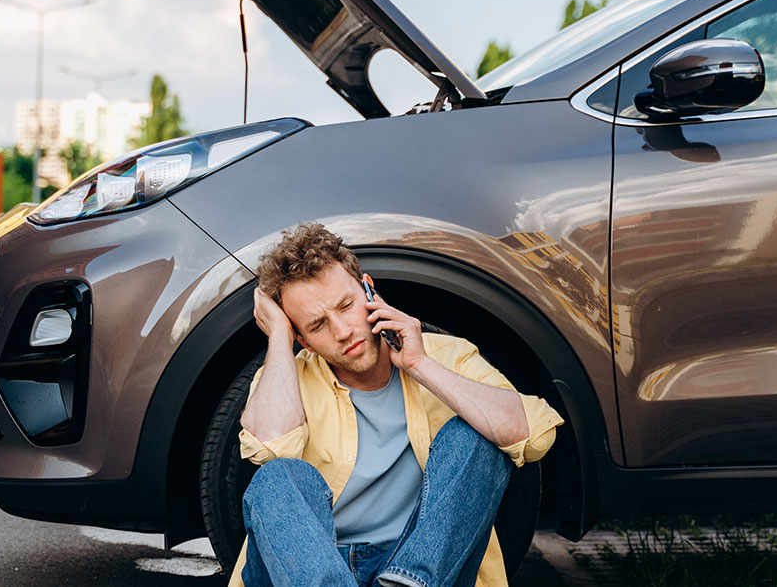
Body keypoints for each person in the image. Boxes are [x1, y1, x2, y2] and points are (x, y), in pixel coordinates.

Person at [228, 222, 565, 587]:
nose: (342, 331)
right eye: (318, 324)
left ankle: (410, 582)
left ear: (369, 290)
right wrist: (279, 333)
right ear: (304, 340)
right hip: (316, 570)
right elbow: (270, 449)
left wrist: (420, 365)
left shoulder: (445, 356)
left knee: (478, 437)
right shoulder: (286, 377)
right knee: (277, 478)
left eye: (346, 305)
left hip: (422, 566)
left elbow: (532, 436)